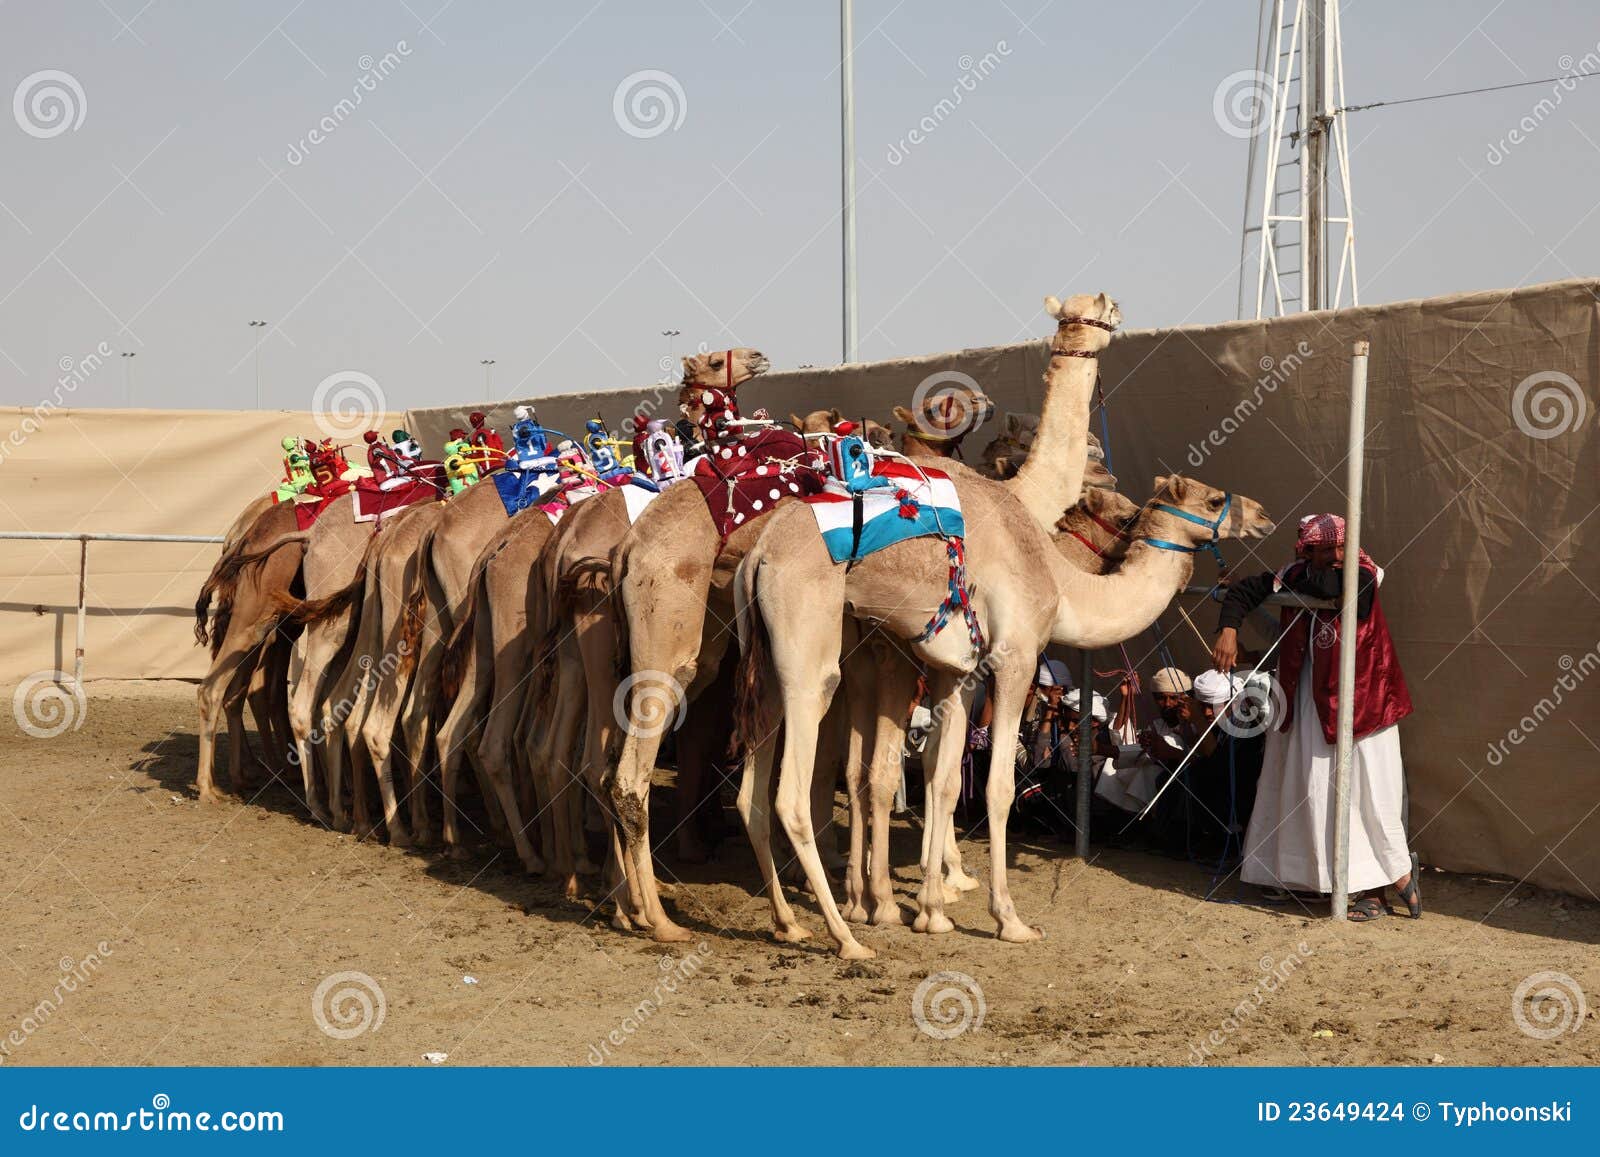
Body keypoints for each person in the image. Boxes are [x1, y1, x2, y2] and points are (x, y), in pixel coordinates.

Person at [1213, 512, 1419, 922]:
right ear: (1308, 550)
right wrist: (1229, 628)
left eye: (1340, 546)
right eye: (1326, 549)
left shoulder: (1361, 574)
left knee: (1364, 791)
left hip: (1362, 702)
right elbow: (1243, 593)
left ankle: (1378, 886)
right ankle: (1300, 878)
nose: (1336, 555)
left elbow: (1337, 591)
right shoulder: (1296, 573)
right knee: (1306, 787)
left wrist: (1292, 579)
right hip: (1306, 697)